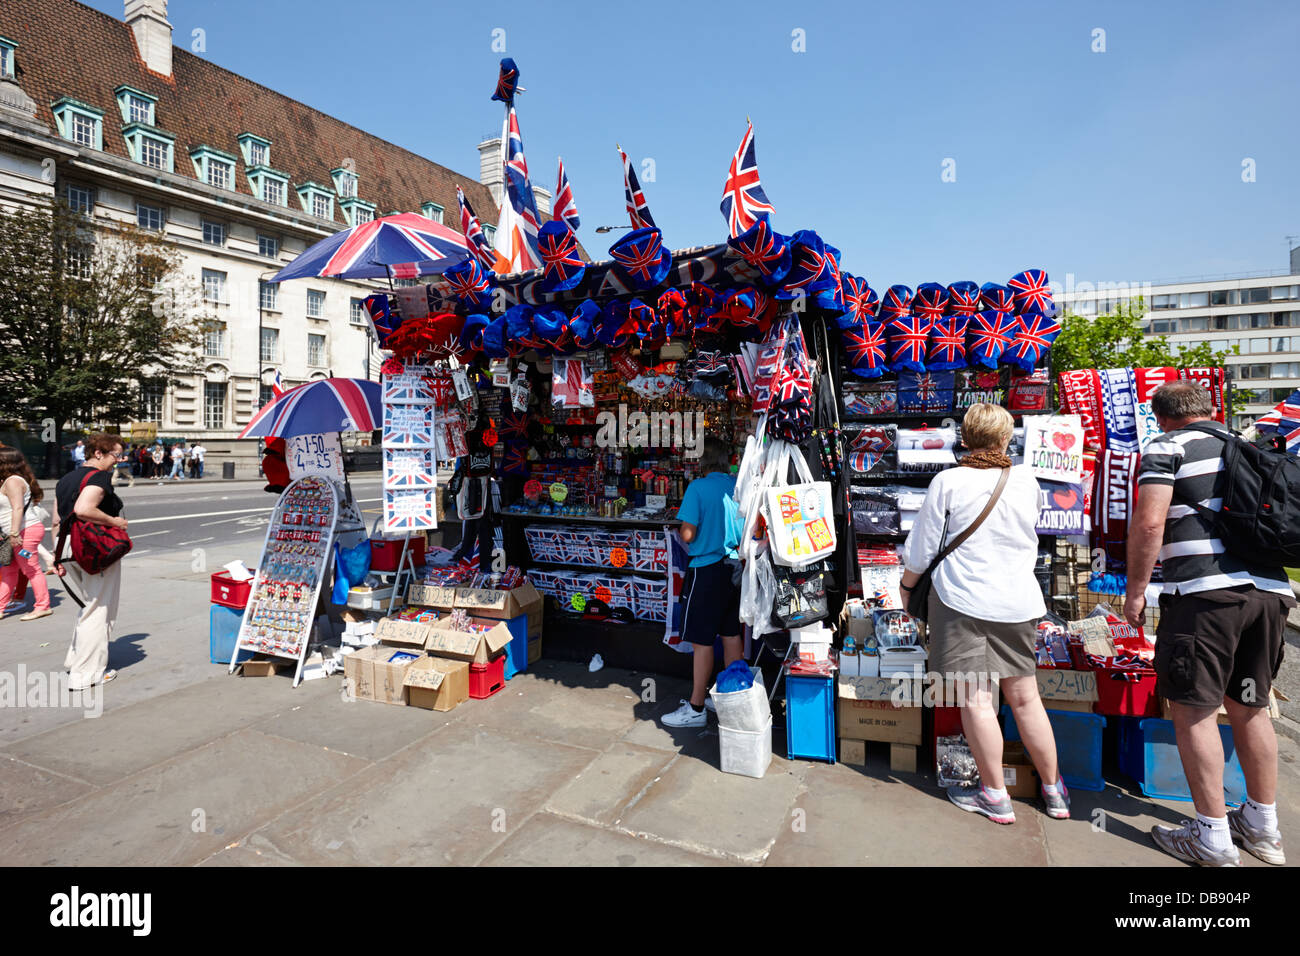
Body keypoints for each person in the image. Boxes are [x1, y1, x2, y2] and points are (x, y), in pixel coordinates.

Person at [1125, 380, 1294, 866]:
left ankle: (1212, 837)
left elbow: (1150, 522)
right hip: (1269, 593)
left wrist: (1137, 592)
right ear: (1211, 410)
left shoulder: (1167, 446)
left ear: (1160, 416)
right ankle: (1263, 829)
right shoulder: (1246, 446)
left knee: (1193, 708)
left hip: (1205, 596)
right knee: (1250, 707)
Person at [900, 403, 1067, 824]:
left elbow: (922, 548)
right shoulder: (1026, 480)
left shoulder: (949, 481)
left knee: (976, 698)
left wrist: (906, 588)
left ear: (965, 437)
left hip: (962, 600)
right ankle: (1054, 790)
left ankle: (995, 794)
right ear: (1006, 437)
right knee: (1026, 697)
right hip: (1018, 600)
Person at [661, 437, 743, 728]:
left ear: (703, 461)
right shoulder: (737, 486)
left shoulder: (697, 488)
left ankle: (696, 707)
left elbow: (687, 535)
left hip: (706, 570)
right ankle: (733, 698)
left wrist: (682, 525)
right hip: (735, 569)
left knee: (702, 641)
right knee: (731, 634)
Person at [55, 433, 128, 689]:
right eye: (116, 455)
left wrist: (57, 556)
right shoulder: (99, 477)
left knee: (87, 606)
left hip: (66, 547)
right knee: (98, 610)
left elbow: (57, 519)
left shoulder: (66, 479)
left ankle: (75, 660)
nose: (118, 461)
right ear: (98, 453)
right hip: (92, 549)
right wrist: (115, 521)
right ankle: (86, 675)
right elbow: (84, 509)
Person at [0, 448, 52, 621]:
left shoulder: (13, 481)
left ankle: (43, 606)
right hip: (15, 532)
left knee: (31, 569)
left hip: (24, 532)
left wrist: (14, 533)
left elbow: (18, 508)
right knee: (9, 571)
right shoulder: (7, 481)